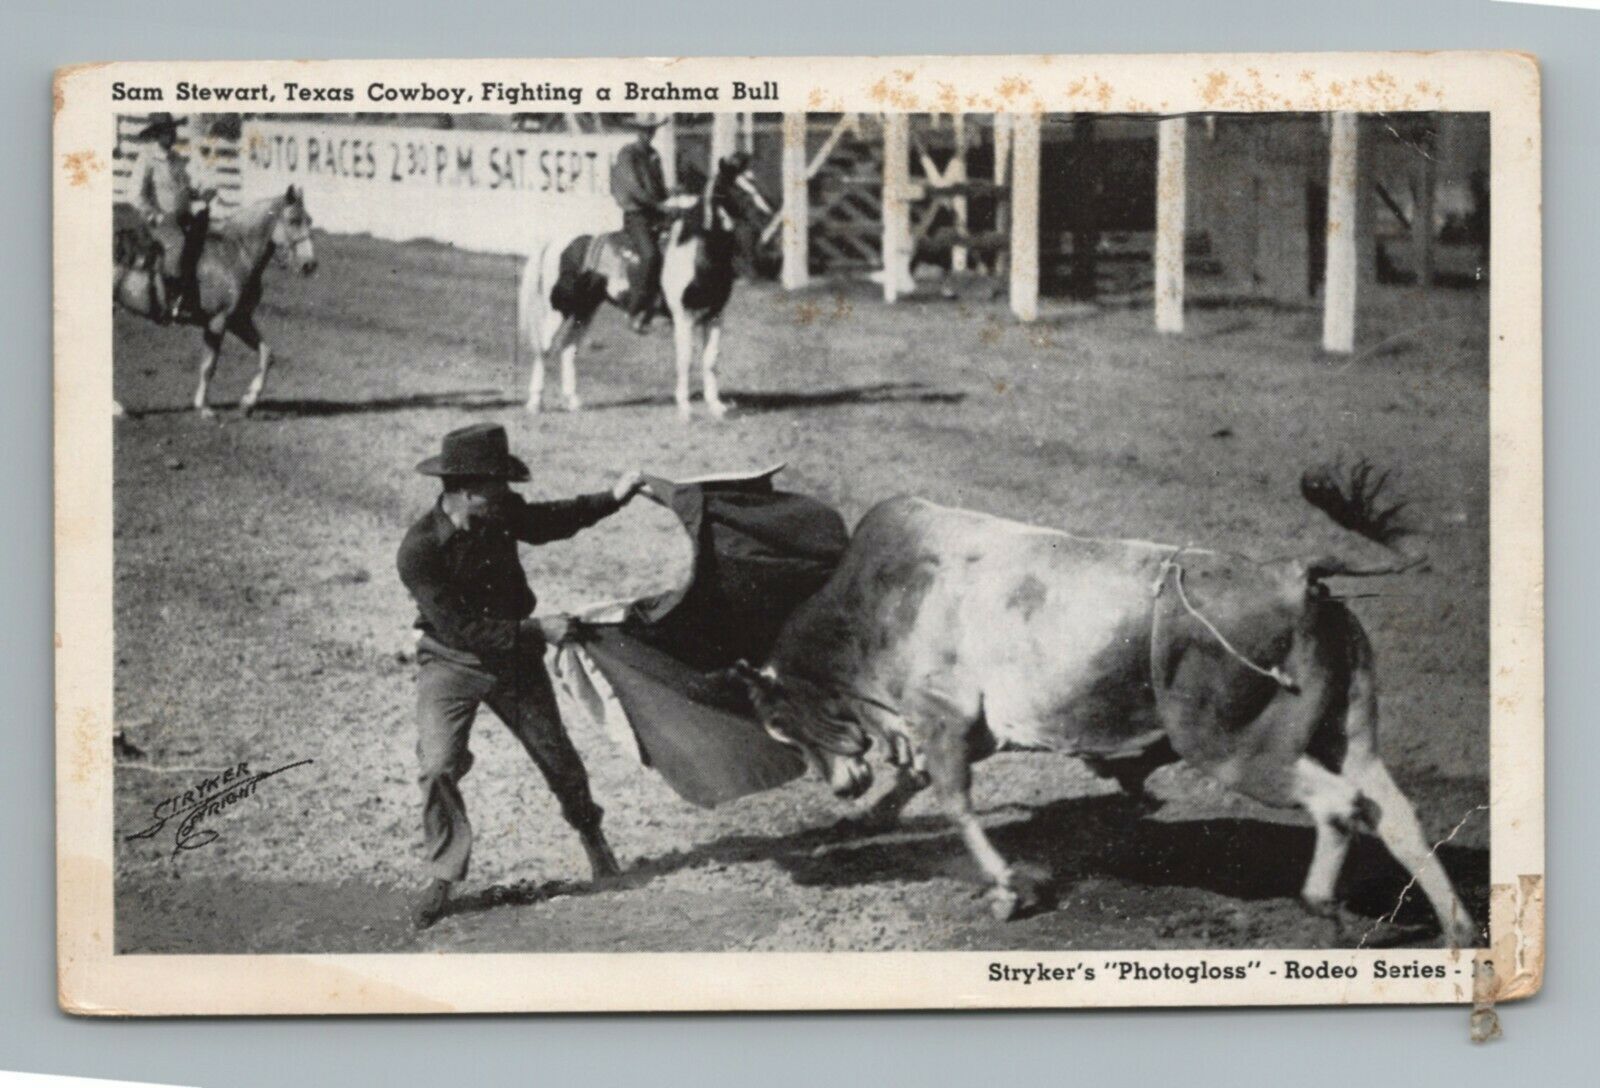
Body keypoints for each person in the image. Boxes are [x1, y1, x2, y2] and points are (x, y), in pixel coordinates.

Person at [396, 422, 647, 930]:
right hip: (451, 660)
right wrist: (539, 629)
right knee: (438, 764)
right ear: (466, 491)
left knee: (558, 759)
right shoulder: (419, 550)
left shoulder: (498, 512)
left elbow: (551, 519)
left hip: (514, 662)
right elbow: (463, 630)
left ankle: (593, 837)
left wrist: (614, 498)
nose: (507, 497)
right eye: (497, 487)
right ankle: (443, 874)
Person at [131, 113, 215, 323]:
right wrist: (153, 214)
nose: (172, 135)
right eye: (167, 131)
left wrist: (201, 193)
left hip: (181, 217)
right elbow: (134, 194)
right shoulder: (147, 159)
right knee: (178, 244)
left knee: (205, 240)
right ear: (158, 134)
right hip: (159, 220)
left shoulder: (177, 159)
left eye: (173, 130)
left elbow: (185, 188)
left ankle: (198, 295)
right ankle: (171, 302)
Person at [609, 116, 670, 333]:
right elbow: (634, 188)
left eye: (651, 130)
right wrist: (658, 205)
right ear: (638, 131)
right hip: (636, 216)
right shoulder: (628, 154)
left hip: (655, 213)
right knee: (650, 255)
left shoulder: (654, 155)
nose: (648, 134)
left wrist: (670, 200)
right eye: (645, 130)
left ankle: (665, 306)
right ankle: (634, 309)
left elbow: (660, 187)